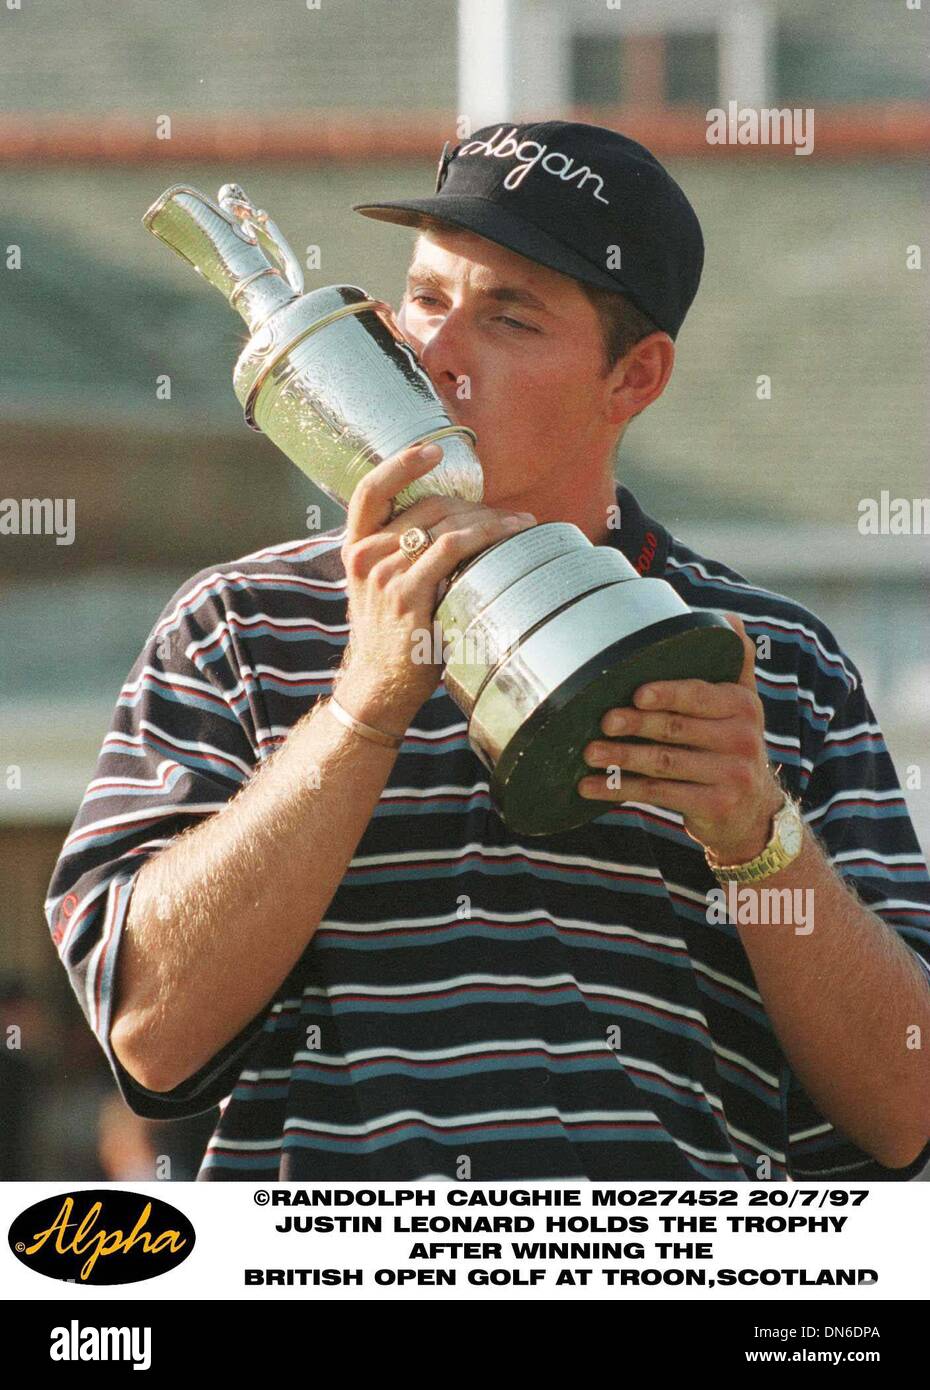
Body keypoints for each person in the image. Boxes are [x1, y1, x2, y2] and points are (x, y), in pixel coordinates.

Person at [45, 121, 930, 1181]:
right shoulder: (236, 625)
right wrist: (359, 711)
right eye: (425, 298)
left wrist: (757, 835)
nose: (435, 352)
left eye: (510, 317)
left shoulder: (770, 663)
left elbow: (908, 1109)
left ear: (634, 378)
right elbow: (145, 1033)